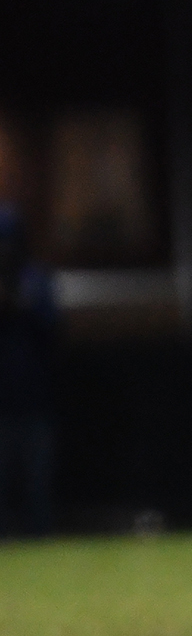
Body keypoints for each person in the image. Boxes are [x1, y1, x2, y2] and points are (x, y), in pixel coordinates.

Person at [0, 205, 58, 538]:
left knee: (36, 484)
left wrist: (18, 303)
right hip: (2, 401)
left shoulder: (36, 279)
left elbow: (51, 326)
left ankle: (41, 540)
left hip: (35, 399)